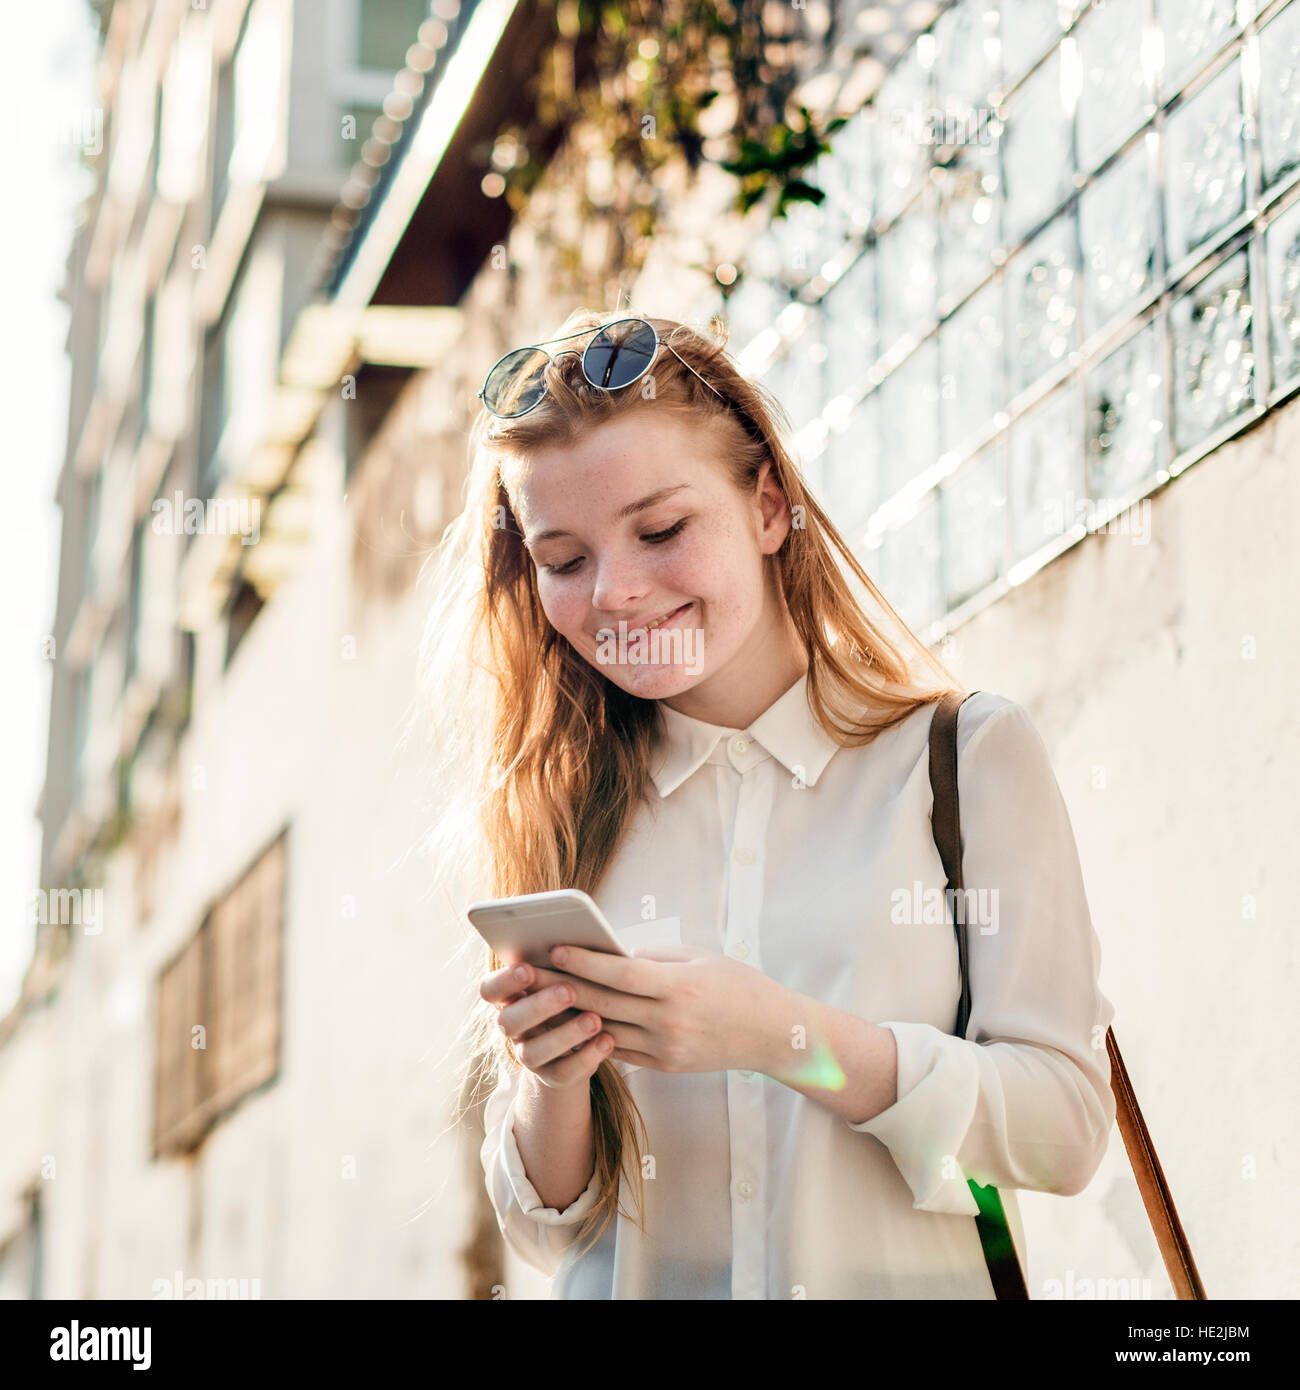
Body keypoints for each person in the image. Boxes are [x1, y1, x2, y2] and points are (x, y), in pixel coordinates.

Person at [423, 309, 1115, 1299]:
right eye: (564, 559)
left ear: (768, 505)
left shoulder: (966, 760)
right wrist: (552, 1076)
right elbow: (548, 1231)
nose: (614, 592)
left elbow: (1063, 1134)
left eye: (660, 529)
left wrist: (786, 1038)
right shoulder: (560, 810)